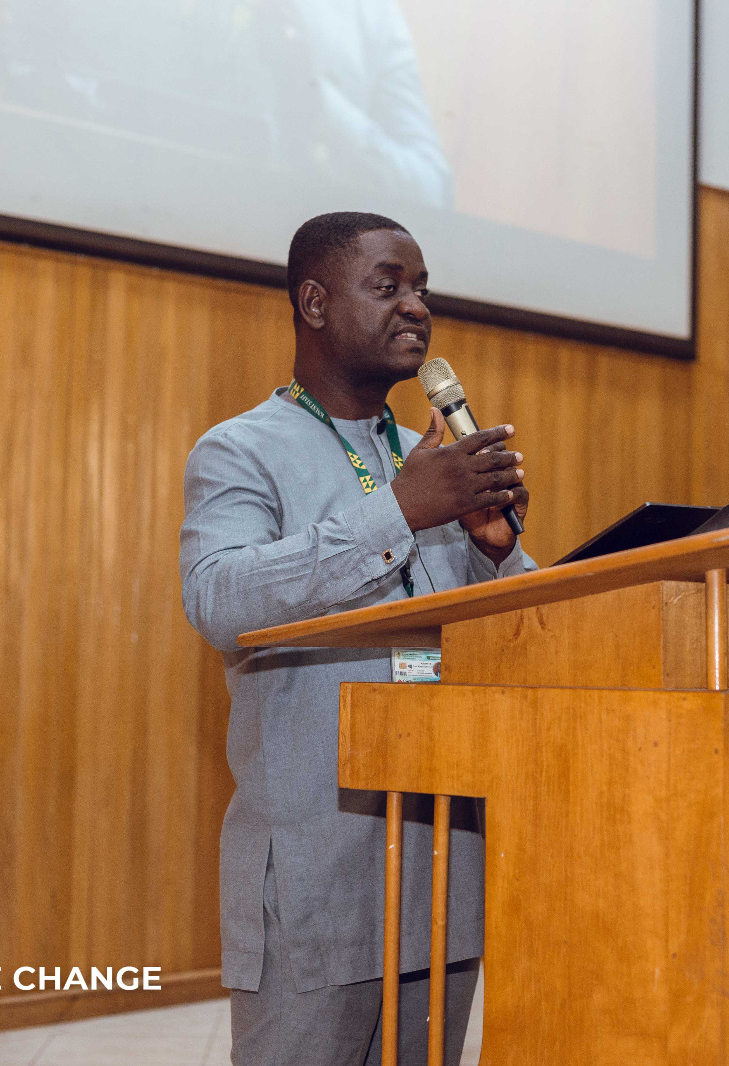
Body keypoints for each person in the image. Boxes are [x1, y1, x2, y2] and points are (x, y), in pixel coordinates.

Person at [180, 211, 533, 1065]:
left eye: (422, 290)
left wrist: (496, 557)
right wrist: (401, 511)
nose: (415, 307)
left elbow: (533, 629)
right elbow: (220, 597)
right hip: (315, 878)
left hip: (441, 874)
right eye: (388, 286)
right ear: (314, 301)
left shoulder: (434, 462)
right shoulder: (240, 452)